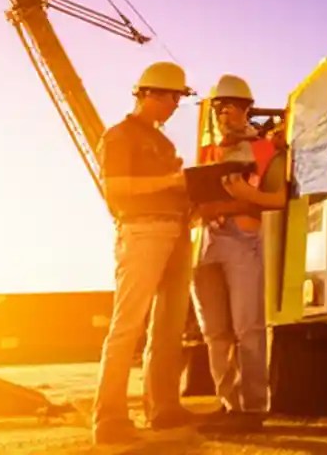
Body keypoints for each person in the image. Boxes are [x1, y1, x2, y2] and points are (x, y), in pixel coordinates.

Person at [92, 61, 201, 445]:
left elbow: (170, 186)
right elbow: (116, 190)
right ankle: (109, 417)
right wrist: (171, 181)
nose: (176, 105)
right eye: (174, 97)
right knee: (128, 326)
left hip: (176, 231)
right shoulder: (119, 136)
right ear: (151, 94)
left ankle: (164, 409)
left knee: (168, 329)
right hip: (142, 232)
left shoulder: (164, 142)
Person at [191, 74, 286, 432]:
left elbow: (278, 199)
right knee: (215, 331)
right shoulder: (206, 151)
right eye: (218, 106)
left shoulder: (264, 150)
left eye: (230, 105)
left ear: (247, 108)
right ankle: (228, 404)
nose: (223, 112)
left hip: (244, 242)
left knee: (248, 327)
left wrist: (244, 198)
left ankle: (252, 409)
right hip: (205, 244)